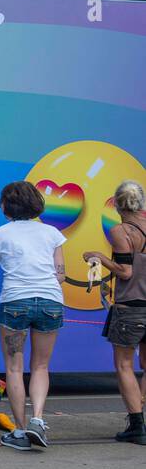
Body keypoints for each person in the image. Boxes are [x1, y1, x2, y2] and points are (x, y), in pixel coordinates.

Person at [0, 181, 66, 451]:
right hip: (50, 301)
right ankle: (38, 420)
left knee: (14, 368)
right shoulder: (52, 234)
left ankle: (20, 432)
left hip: (15, 303)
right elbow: (60, 275)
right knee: (41, 366)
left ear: (7, 206)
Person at [84, 180, 146, 444]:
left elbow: (125, 271)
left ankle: (136, 423)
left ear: (118, 205)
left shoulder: (122, 232)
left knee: (124, 365)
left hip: (130, 307)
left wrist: (99, 256)